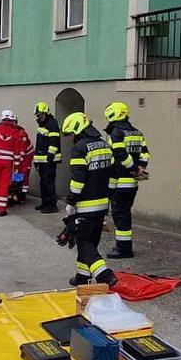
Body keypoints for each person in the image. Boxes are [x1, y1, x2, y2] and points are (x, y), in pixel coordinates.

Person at [61, 112, 117, 287]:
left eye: (71, 134)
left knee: (84, 242)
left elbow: (78, 178)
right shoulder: (104, 144)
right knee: (91, 241)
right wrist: (110, 196)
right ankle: (82, 276)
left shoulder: (80, 147)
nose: (71, 138)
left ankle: (104, 275)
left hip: (85, 204)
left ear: (77, 129)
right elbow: (113, 173)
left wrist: (71, 201)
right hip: (102, 203)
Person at [104, 102, 151, 260]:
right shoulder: (137, 132)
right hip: (132, 182)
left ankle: (124, 249)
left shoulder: (117, 132)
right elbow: (145, 154)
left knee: (121, 215)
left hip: (120, 180)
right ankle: (123, 246)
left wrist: (132, 168)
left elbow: (120, 154)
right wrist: (140, 168)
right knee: (123, 214)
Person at [0, 110, 33, 215]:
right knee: (4, 185)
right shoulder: (16, 132)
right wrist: (16, 165)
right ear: (12, 120)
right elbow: (17, 152)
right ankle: (1, 210)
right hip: (8, 163)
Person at [33, 102, 61, 214]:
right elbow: (39, 144)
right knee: (43, 182)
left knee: (49, 183)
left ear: (45, 113)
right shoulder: (42, 125)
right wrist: (36, 160)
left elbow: (54, 141)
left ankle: (51, 205)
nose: (38, 117)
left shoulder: (52, 123)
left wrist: (50, 156)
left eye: (40, 115)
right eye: (37, 115)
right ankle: (44, 203)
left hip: (49, 160)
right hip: (42, 160)